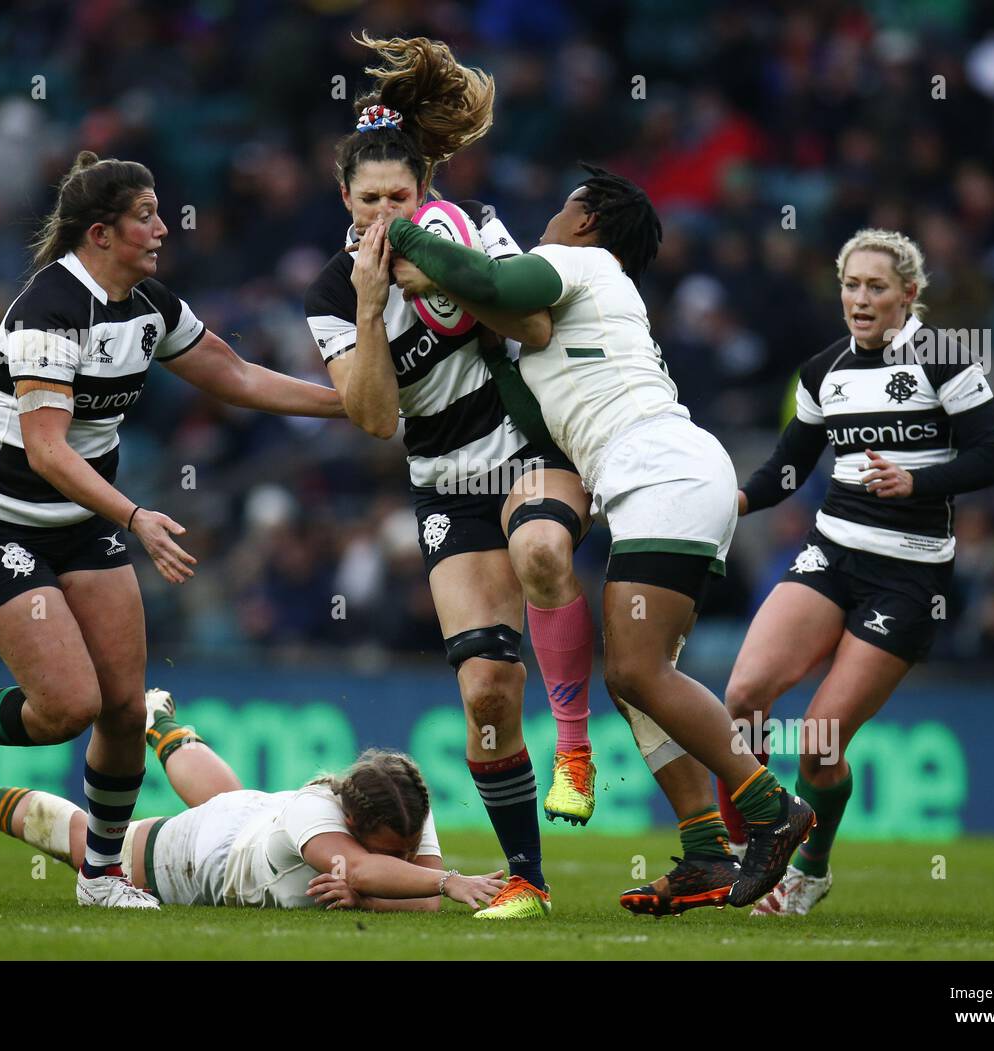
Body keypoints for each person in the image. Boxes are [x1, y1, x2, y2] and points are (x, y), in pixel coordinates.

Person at [0, 151, 346, 910]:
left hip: (84, 521)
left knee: (124, 707)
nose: (164, 227)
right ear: (101, 232)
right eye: (147, 215)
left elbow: (233, 373)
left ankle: (100, 876)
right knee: (65, 706)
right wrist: (135, 515)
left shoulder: (147, 304)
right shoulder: (48, 311)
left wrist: (349, 405)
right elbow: (44, 450)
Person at [384, 164, 816, 912]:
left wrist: (394, 225)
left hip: (661, 477)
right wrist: (487, 349)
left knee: (640, 673)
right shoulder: (592, 299)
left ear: (586, 220)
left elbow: (483, 277)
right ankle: (708, 852)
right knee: (635, 674)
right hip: (672, 479)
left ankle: (774, 808)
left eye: (559, 207)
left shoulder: (576, 262)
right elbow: (533, 405)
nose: (548, 221)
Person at [304, 33, 599, 920]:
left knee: (544, 547)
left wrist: (443, 274)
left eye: (400, 195)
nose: (386, 212)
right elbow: (374, 416)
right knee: (483, 692)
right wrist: (368, 300)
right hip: (445, 479)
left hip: (531, 448)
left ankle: (577, 747)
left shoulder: (468, 231)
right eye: (369, 200)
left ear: (422, 192)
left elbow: (535, 321)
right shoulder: (330, 290)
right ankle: (528, 881)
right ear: (345, 200)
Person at [719, 229, 994, 915]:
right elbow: (789, 465)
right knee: (743, 695)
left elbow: (992, 456)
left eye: (876, 287)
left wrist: (917, 480)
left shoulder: (945, 358)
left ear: (908, 294)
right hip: (832, 553)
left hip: (907, 575)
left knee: (819, 744)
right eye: (851, 285)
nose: (860, 298)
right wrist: (732, 500)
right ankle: (746, 850)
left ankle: (810, 870)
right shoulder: (823, 371)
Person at [0, 689, 506, 912]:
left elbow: (405, 890)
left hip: (250, 821)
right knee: (84, 843)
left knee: (233, 795)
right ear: (351, 819)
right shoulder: (316, 817)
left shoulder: (404, 810)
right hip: (195, 856)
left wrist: (373, 894)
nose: (405, 856)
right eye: (389, 851)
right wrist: (446, 880)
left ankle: (156, 721)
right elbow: (392, 876)